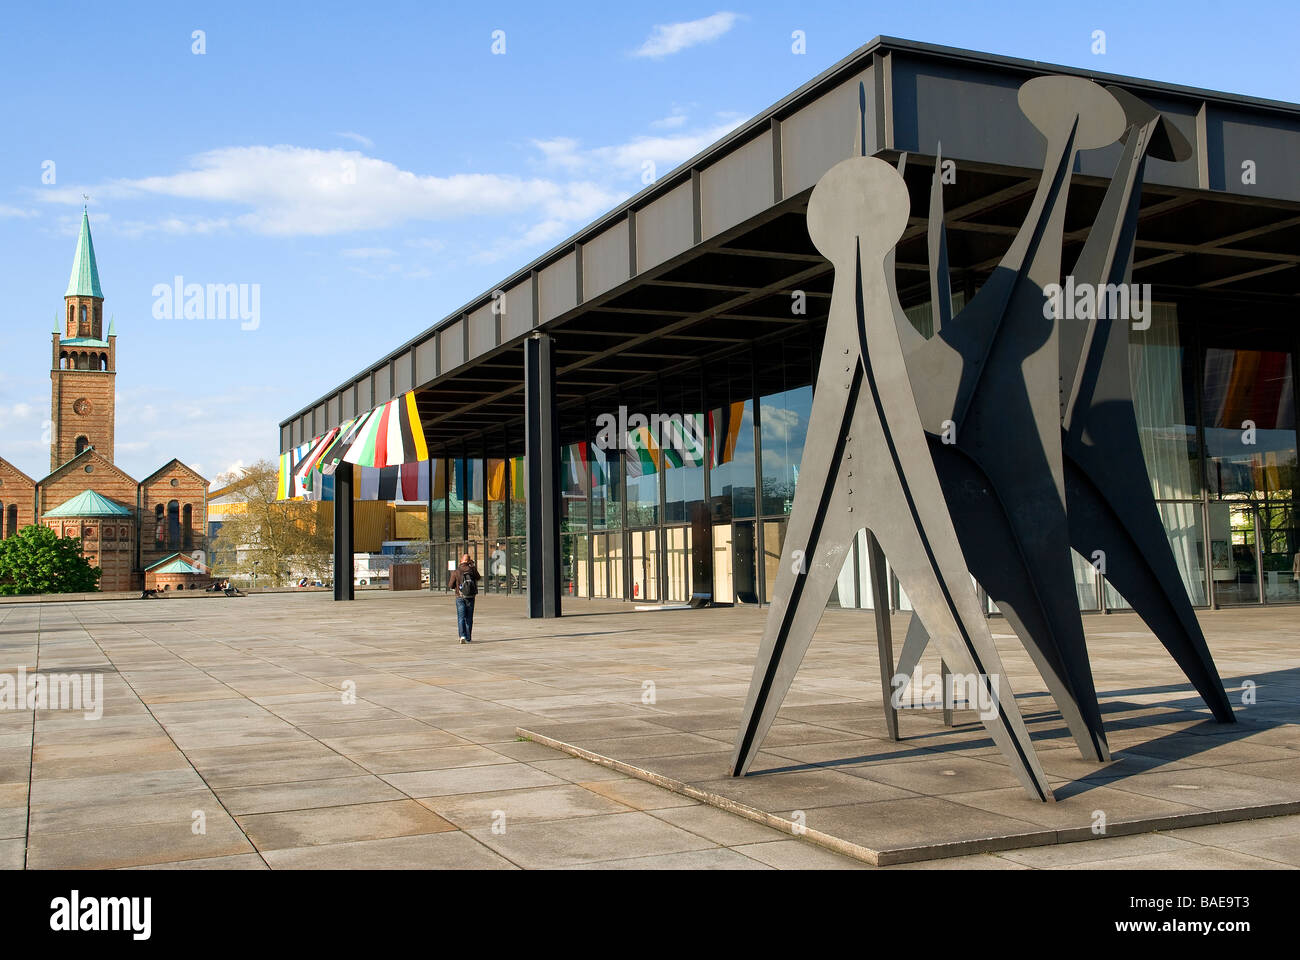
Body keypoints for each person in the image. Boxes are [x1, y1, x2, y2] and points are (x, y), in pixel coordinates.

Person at [448, 553, 481, 643]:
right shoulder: (472, 570)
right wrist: (473, 566)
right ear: (469, 561)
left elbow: (450, 585)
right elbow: (478, 578)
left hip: (460, 596)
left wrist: (457, 586)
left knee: (461, 617)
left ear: (461, 561)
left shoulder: (456, 571)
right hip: (470, 596)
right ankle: (468, 637)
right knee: (469, 618)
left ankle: (462, 636)